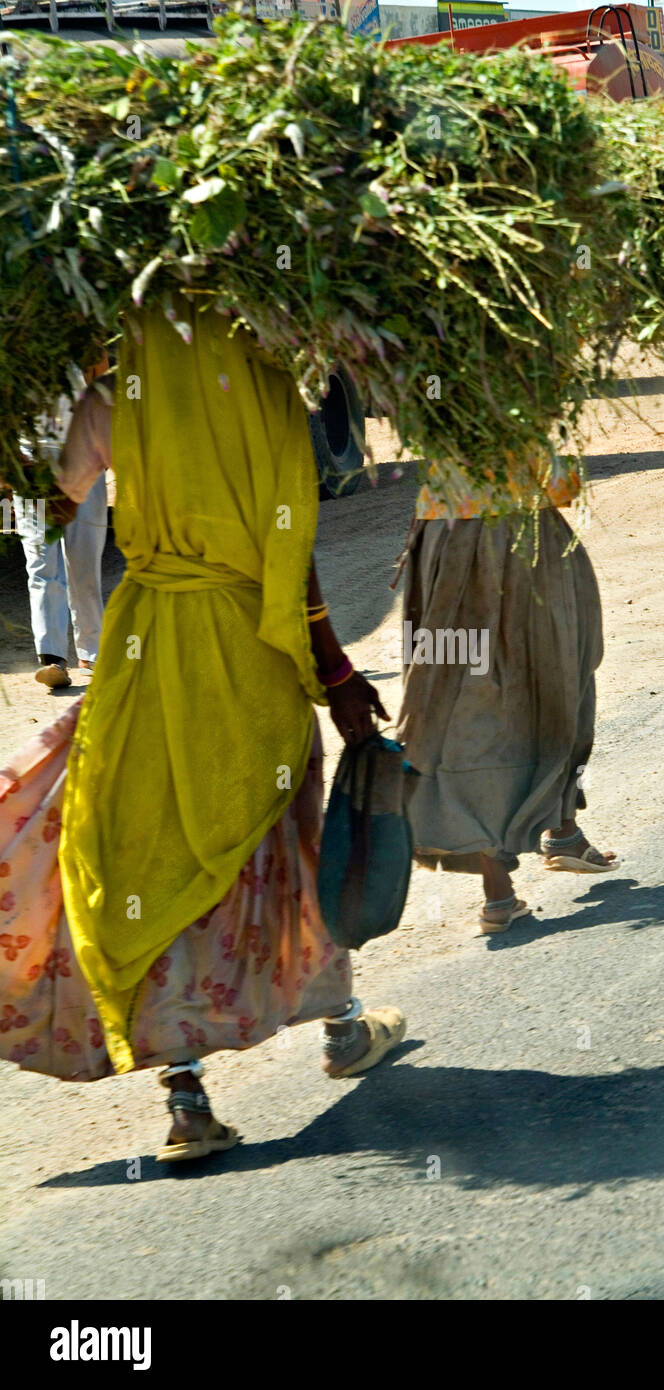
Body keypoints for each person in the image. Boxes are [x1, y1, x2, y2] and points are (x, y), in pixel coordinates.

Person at [0, 303, 405, 1162]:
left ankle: (184, 1096)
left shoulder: (116, 392)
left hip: (147, 654)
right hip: (251, 653)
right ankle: (339, 1025)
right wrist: (335, 675)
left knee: (149, 851)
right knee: (277, 843)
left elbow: (53, 496)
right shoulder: (265, 386)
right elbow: (292, 557)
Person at [396, 461, 619, 934]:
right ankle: (509, 878)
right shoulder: (514, 391)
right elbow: (561, 484)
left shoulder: (418, 392)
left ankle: (554, 840)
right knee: (555, 685)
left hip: (444, 542)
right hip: (520, 542)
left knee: (462, 702)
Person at [13, 389, 108, 689]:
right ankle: (52, 658)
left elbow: (105, 391)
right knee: (41, 563)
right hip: (30, 461)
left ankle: (92, 652)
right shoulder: (11, 348)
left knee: (84, 559)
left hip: (83, 454)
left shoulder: (85, 344)